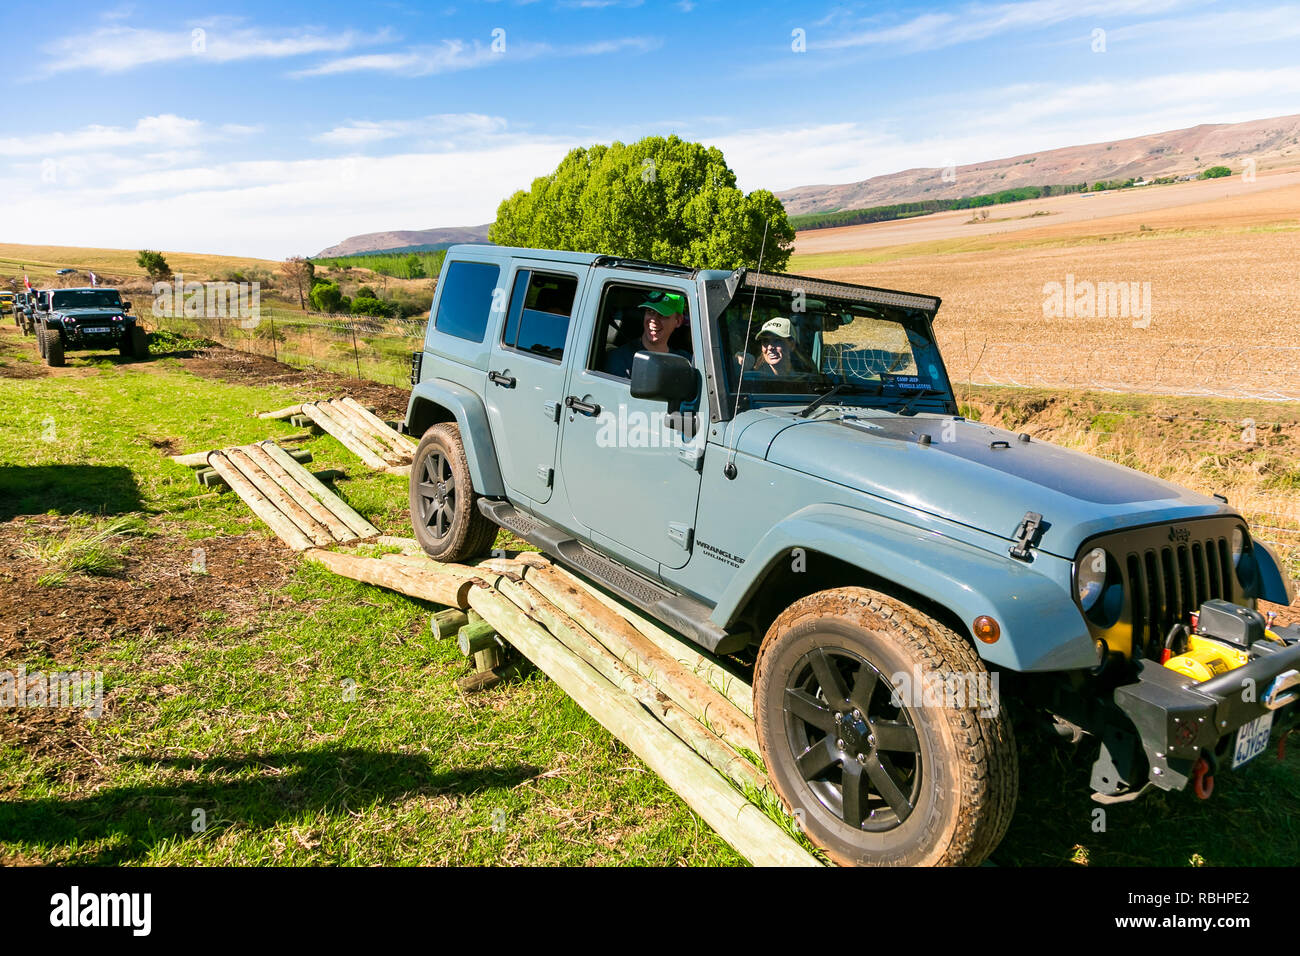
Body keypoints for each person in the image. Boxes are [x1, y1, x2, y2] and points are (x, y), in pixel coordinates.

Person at [603, 290, 690, 378]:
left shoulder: (685, 361)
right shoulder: (621, 358)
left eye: (662, 314)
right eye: (650, 311)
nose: (654, 320)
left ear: (678, 321)